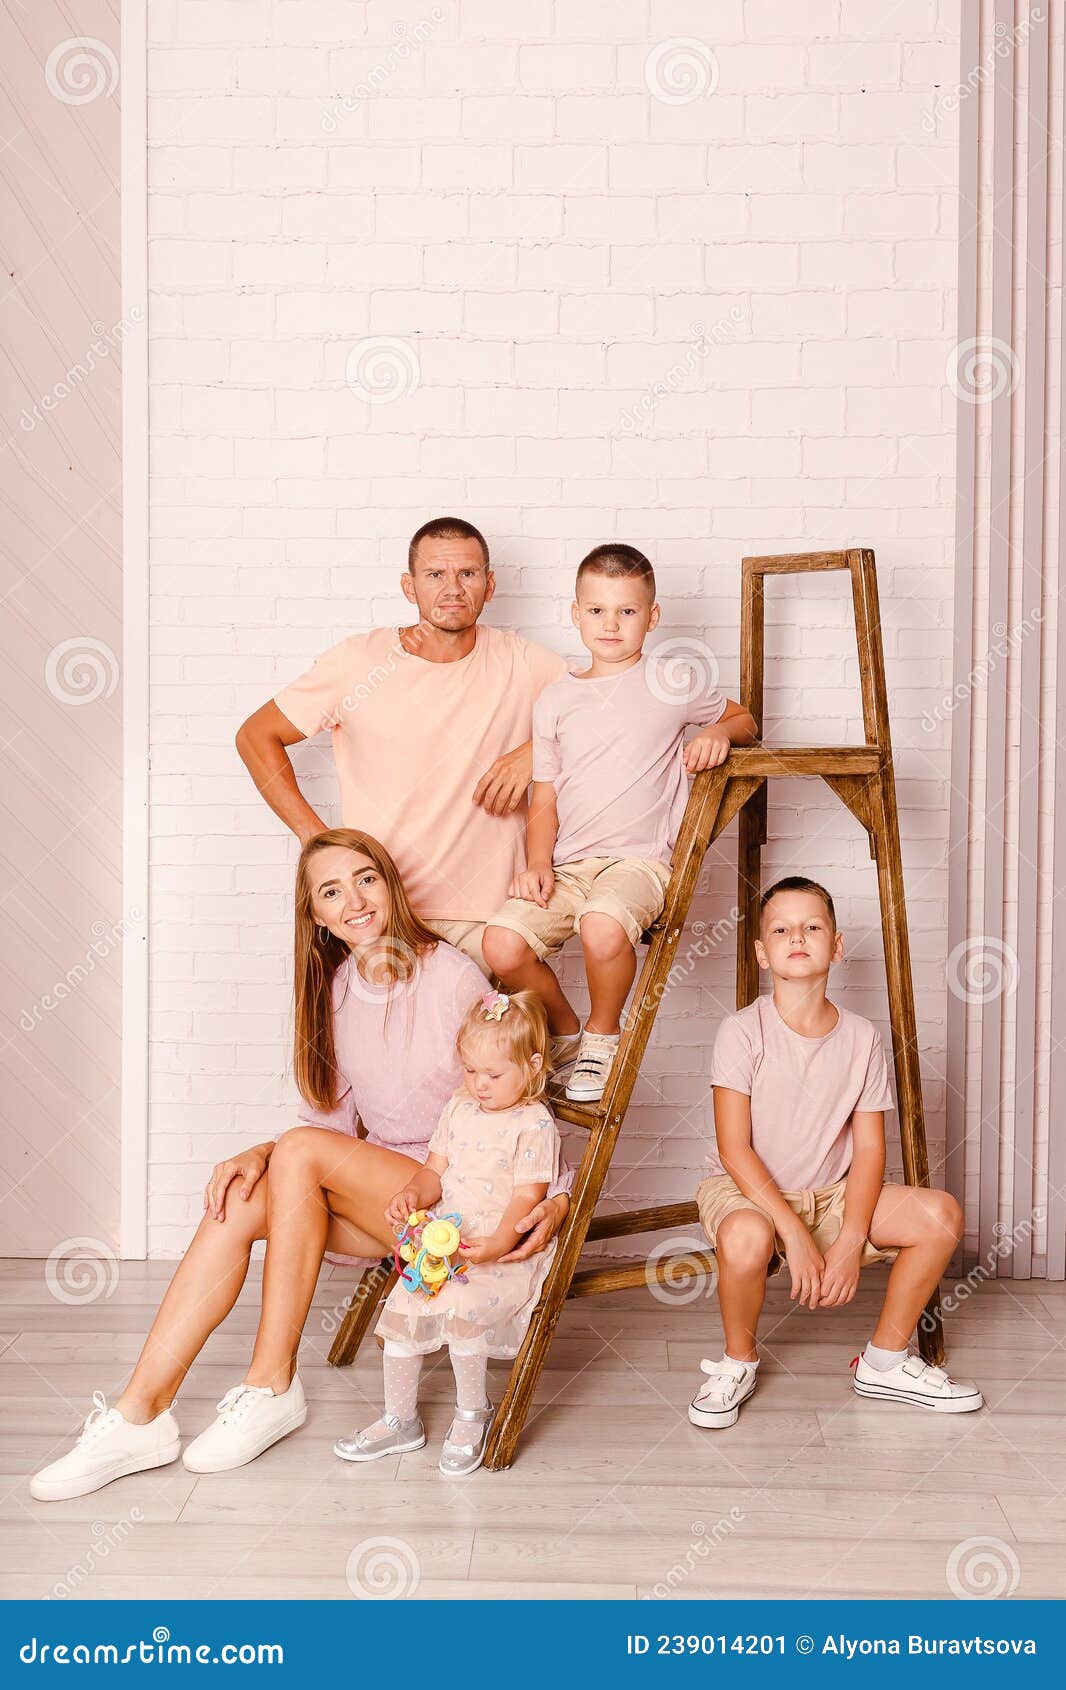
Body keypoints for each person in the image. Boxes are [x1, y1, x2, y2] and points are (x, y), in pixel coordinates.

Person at [30, 832, 570, 1501]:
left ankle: (269, 1384)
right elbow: (326, 1136)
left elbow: (520, 1095)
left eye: (367, 879)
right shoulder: (338, 990)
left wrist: (556, 1202)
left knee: (290, 1155)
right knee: (241, 1199)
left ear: (392, 888)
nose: (355, 900)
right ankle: (139, 1412)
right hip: (398, 1208)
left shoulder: (452, 974)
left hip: (465, 1199)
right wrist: (258, 1155)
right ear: (315, 916)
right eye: (332, 891)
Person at [689, 876, 982, 1430]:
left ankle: (886, 1360)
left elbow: (871, 1149)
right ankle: (737, 1361)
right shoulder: (742, 1031)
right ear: (762, 952)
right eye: (781, 929)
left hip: (832, 1192)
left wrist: (849, 1241)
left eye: (813, 927)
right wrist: (795, 1236)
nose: (797, 936)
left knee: (940, 1213)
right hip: (748, 1192)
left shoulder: (863, 1038)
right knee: (748, 1235)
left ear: (838, 945)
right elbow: (734, 1149)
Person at [482, 542, 757, 1101]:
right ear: (576, 613)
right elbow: (545, 792)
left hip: (639, 863)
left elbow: (743, 717)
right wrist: (538, 862)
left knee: (602, 926)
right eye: (598, 610)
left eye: (627, 612)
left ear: (652, 618)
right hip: (569, 865)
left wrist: (715, 733)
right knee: (502, 943)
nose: (611, 624)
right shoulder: (556, 700)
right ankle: (565, 1032)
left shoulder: (670, 682)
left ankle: (603, 1037)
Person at [235, 516, 568, 977]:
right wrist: (315, 838)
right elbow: (255, 736)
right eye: (435, 575)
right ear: (409, 587)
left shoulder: (523, 661)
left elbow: (609, 712)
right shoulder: (356, 662)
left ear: (489, 585)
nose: (452, 588)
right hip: (386, 917)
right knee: (394, 1047)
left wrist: (534, 752)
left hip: (491, 920)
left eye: (467, 574)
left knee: (496, 1048)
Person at [335, 989, 559, 1479]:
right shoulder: (459, 1107)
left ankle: (472, 1414)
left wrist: (500, 1243)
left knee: (464, 1315)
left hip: (499, 1248)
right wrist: (413, 1194)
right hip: (447, 1241)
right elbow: (434, 1169)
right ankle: (400, 1419)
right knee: (402, 1309)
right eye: (470, 1071)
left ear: (533, 1064)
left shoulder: (534, 1124)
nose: (478, 1084)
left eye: (493, 1074)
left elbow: (526, 1196)